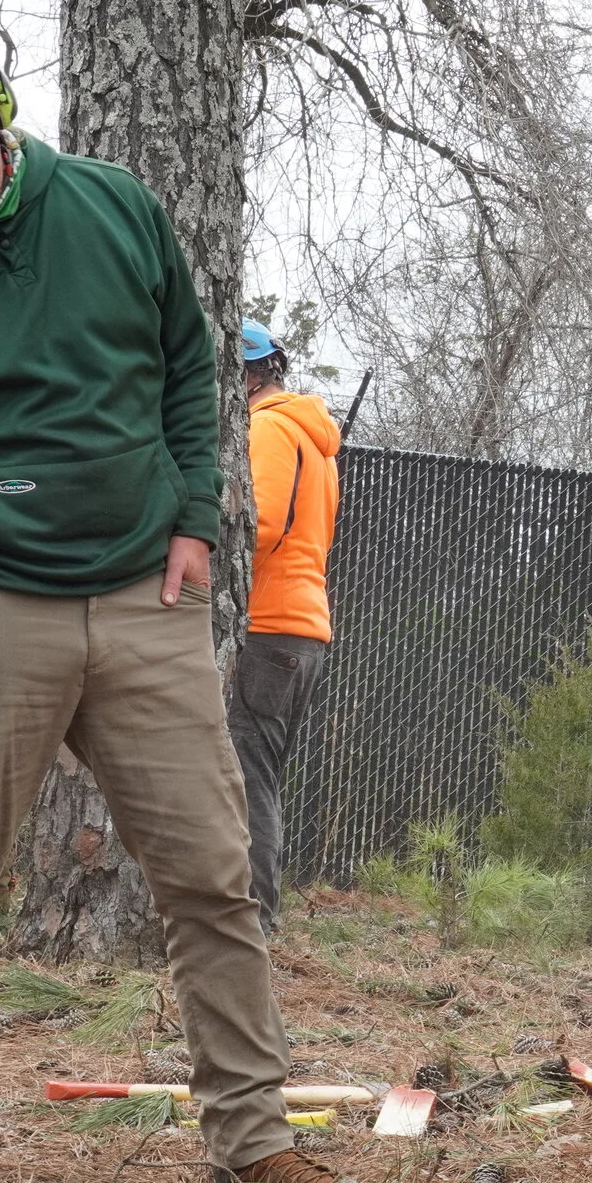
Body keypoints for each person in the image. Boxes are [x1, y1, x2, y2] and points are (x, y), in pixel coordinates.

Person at [0, 0, 368, 1183]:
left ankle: (254, 1140)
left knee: (214, 874)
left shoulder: (113, 208)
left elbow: (185, 363)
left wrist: (199, 518)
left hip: (140, 596)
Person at [229, 319, 342, 934]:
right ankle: (253, 917)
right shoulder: (312, 435)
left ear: (249, 371)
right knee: (257, 775)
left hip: (268, 626)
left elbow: (261, 524)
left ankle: (252, 924)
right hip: (300, 628)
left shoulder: (269, 428)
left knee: (247, 776)